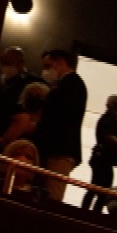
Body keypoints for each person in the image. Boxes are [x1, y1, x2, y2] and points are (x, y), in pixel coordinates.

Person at [27, 49, 87, 200]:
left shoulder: (72, 84)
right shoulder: (69, 84)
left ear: (60, 62)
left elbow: (59, 115)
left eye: (48, 66)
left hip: (60, 149)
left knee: (52, 197)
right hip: (57, 148)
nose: (46, 71)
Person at [83, 95, 117, 213]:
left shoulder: (105, 118)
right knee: (103, 190)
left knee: (95, 187)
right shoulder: (110, 119)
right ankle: (93, 213)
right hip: (103, 159)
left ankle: (85, 211)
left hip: (99, 157)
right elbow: (110, 137)